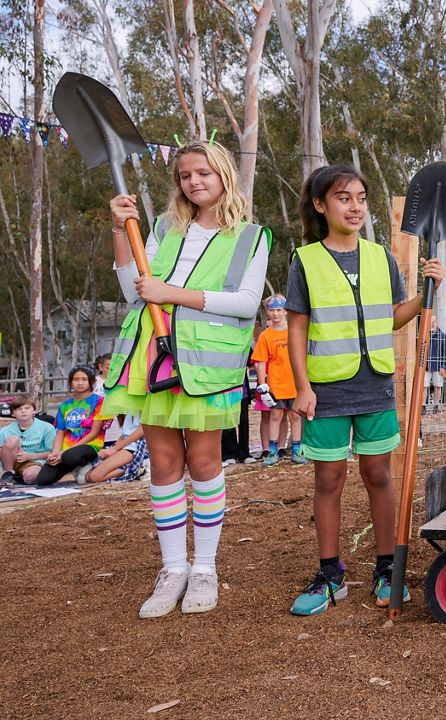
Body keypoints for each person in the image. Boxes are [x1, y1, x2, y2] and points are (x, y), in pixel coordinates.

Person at [104, 139, 271, 618]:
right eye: (184, 175)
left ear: (223, 175)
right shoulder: (163, 227)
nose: (193, 182)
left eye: (203, 173)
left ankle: (205, 569)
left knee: (203, 463)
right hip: (154, 359)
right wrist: (121, 231)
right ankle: (173, 568)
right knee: (163, 463)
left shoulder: (251, 236)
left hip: (206, 365)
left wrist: (172, 293)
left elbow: (245, 302)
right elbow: (134, 291)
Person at [285, 164, 444, 616]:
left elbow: (393, 316)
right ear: (320, 205)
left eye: (360, 198)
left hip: (375, 385)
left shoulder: (380, 257)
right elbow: (296, 330)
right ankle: (330, 574)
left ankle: (387, 568)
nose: (354, 206)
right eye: (343, 198)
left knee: (379, 476)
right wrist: (302, 387)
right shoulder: (306, 261)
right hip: (327, 390)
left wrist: (426, 292)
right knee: (329, 479)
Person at [251, 294, 303, 465]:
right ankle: (272, 450)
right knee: (275, 416)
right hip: (276, 384)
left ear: (285, 311)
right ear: (267, 312)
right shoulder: (266, 335)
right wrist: (262, 385)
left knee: (295, 417)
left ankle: (297, 449)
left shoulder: (295, 331)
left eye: (279, 310)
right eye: (272, 310)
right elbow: (260, 361)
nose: (275, 314)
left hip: (295, 383)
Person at [34, 365, 106, 487]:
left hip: (90, 445)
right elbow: (60, 432)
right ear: (70, 382)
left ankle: (89, 464)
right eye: (76, 379)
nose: (80, 383)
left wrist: (65, 452)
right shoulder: (65, 406)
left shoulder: (99, 401)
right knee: (43, 480)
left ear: (92, 381)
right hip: (67, 450)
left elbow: (94, 432)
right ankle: (75, 466)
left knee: (70, 456)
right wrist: (56, 452)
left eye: (84, 379)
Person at [0, 396, 55, 485]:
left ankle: (19, 476)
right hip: (10, 462)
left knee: (31, 478)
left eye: (27, 408)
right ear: (13, 414)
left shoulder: (47, 428)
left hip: (34, 461)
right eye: (19, 409)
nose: (23, 411)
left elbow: (52, 453)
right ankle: (9, 473)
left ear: (34, 411)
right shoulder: (4, 431)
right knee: (12, 439)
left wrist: (29, 456)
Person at [86, 414, 149, 483]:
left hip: (135, 446)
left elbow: (142, 431)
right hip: (124, 444)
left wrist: (115, 449)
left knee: (94, 477)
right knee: (87, 476)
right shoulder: (129, 412)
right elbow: (124, 434)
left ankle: (135, 469)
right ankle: (127, 468)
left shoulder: (145, 409)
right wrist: (113, 448)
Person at [93, 353, 122, 447]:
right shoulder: (93, 382)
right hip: (95, 425)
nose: (112, 371)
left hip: (116, 428)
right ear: (100, 367)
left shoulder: (121, 383)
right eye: (108, 368)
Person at [425, 317, 446, 413]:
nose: (432, 324)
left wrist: (443, 366)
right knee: (424, 386)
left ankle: (436, 406)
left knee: (438, 386)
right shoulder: (424, 334)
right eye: (430, 322)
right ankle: (423, 407)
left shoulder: (442, 335)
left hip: (438, 366)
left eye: (433, 322)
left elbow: (445, 352)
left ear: (437, 322)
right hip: (426, 366)